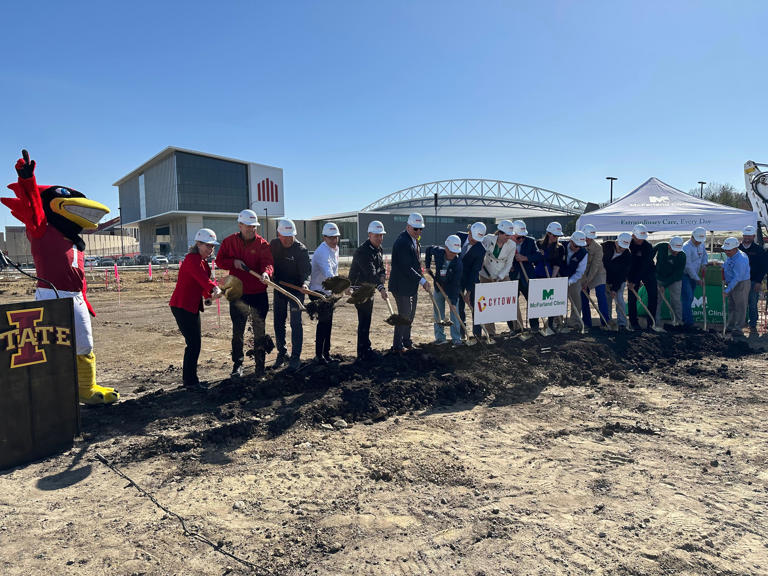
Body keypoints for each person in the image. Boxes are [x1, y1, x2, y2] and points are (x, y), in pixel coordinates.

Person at [215, 209, 274, 379]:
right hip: (238, 292)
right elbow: (219, 261)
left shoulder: (263, 244)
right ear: (240, 225)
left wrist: (266, 274)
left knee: (259, 330)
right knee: (238, 330)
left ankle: (260, 366)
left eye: (254, 227)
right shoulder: (229, 242)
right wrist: (233, 262)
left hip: (258, 292)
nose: (251, 229)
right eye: (247, 226)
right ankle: (237, 364)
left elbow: (267, 263)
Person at [169, 229, 222, 389]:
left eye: (212, 246)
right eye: (207, 245)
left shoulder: (202, 262)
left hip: (190, 307)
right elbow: (203, 279)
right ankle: (190, 382)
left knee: (194, 343)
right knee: (193, 344)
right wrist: (213, 289)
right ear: (198, 244)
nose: (210, 249)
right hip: (182, 306)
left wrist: (210, 294)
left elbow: (203, 285)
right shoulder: (192, 260)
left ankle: (190, 380)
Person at [269, 218, 311, 372]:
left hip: (296, 290)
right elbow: (267, 262)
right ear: (279, 234)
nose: (287, 240)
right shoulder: (273, 245)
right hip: (279, 288)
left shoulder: (301, 249)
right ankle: (282, 353)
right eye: (284, 236)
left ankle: (295, 358)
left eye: (290, 236)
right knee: (278, 321)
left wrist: (305, 284)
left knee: (295, 323)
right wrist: (269, 273)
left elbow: (306, 271)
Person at [388, 213, 431, 353]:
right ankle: (397, 346)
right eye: (416, 229)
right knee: (404, 315)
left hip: (411, 285)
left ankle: (406, 341)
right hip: (401, 286)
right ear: (408, 226)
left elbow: (416, 264)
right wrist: (422, 280)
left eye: (421, 229)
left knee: (410, 315)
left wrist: (421, 275)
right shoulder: (402, 242)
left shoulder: (414, 240)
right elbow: (407, 267)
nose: (418, 232)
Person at [349, 220, 388, 361]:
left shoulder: (378, 249)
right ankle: (362, 353)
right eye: (376, 235)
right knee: (364, 320)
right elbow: (370, 273)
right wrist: (381, 288)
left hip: (369, 288)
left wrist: (383, 274)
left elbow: (380, 266)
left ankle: (366, 348)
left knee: (367, 320)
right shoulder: (362, 252)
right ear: (369, 235)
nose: (379, 238)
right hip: (359, 289)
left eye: (381, 235)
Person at [310, 222, 342, 364]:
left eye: (336, 237)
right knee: (323, 322)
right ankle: (319, 355)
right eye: (331, 238)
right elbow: (329, 274)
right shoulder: (322, 252)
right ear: (324, 237)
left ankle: (326, 353)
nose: (334, 240)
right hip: (317, 290)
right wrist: (342, 286)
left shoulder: (335, 249)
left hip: (328, 290)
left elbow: (335, 271)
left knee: (328, 323)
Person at [478, 220, 517, 336]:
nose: (508, 237)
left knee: (511, 300)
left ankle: (517, 327)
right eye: (506, 235)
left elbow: (509, 264)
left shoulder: (512, 245)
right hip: (486, 275)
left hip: (502, 275)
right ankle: (490, 332)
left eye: (510, 235)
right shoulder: (488, 239)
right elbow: (481, 254)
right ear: (499, 233)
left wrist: (500, 277)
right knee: (486, 303)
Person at [426, 235, 464, 346]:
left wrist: (452, 301)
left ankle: (456, 339)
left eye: (455, 252)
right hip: (438, 286)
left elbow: (456, 284)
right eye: (451, 251)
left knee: (454, 313)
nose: (453, 254)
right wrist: (428, 266)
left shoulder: (458, 264)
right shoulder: (438, 252)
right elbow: (428, 250)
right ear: (446, 248)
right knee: (438, 312)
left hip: (451, 288)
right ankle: (440, 337)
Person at [509, 220, 543, 332]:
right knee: (511, 302)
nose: (521, 239)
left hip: (527, 275)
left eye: (523, 237)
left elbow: (538, 255)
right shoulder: (507, 242)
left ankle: (534, 326)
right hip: (512, 276)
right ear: (512, 235)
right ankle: (515, 327)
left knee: (533, 300)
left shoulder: (530, 241)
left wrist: (525, 258)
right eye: (519, 237)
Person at [536, 222, 567, 334]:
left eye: (558, 236)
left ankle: (550, 324)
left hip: (551, 275)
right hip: (539, 275)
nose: (556, 238)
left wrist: (552, 279)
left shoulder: (560, 248)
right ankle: (537, 326)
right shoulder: (539, 244)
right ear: (548, 233)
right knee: (538, 301)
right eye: (554, 235)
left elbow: (557, 264)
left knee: (551, 301)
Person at [458, 222, 487, 340]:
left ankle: (477, 334)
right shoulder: (458, 237)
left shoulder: (480, 250)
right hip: (457, 277)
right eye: (473, 238)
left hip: (471, 277)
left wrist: (469, 292)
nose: (475, 241)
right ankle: (462, 333)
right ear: (469, 232)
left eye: (477, 239)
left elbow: (475, 271)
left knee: (475, 305)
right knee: (459, 306)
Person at [627, 224, 658, 331]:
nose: (640, 241)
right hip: (631, 271)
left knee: (653, 295)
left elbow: (644, 265)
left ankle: (651, 323)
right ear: (633, 236)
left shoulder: (647, 246)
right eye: (638, 238)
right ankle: (633, 322)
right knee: (632, 297)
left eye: (642, 239)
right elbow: (626, 264)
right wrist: (630, 280)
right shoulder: (627, 245)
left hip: (647, 270)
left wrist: (636, 281)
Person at [579, 224, 609, 329]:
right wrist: (583, 281)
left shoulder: (598, 248)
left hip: (598, 273)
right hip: (583, 273)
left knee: (601, 294)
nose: (588, 239)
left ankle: (605, 322)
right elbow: (579, 265)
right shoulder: (579, 244)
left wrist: (587, 281)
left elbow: (595, 266)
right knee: (583, 296)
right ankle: (587, 323)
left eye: (590, 238)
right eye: (586, 237)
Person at [653, 236, 686, 329]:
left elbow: (677, 274)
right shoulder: (661, 247)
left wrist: (665, 284)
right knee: (657, 300)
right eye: (674, 250)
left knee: (676, 300)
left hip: (674, 279)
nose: (676, 252)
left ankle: (678, 322)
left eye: (678, 250)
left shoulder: (682, 256)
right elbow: (649, 255)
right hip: (659, 276)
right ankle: (656, 323)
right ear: (669, 246)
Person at [602, 232, 633, 330]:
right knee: (606, 299)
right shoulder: (605, 246)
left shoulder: (627, 255)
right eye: (620, 247)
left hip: (619, 280)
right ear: (616, 242)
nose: (621, 250)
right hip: (604, 278)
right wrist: (605, 281)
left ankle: (622, 323)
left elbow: (622, 274)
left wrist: (614, 289)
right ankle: (608, 322)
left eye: (624, 248)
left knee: (619, 298)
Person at [739, 225, 766, 334]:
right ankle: (740, 324)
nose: (747, 238)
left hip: (753, 281)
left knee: (753, 303)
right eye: (745, 235)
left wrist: (759, 281)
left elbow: (763, 267)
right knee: (740, 303)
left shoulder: (759, 250)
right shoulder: (737, 248)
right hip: (740, 281)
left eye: (749, 236)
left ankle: (753, 324)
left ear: (753, 236)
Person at [722, 236, 751, 337]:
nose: (726, 252)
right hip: (732, 283)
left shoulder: (741, 259)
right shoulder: (731, 256)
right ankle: (730, 326)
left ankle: (738, 328)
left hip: (741, 284)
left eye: (728, 250)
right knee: (732, 306)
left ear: (735, 249)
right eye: (725, 250)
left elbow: (737, 277)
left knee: (740, 306)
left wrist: (727, 290)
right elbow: (727, 266)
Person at [560, 231, 588, 332]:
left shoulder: (583, 253)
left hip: (573, 277)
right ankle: (557, 321)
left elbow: (580, 272)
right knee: (558, 299)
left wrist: (570, 281)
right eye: (576, 246)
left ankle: (574, 321)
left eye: (580, 247)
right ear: (571, 241)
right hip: (559, 275)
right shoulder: (561, 245)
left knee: (576, 296)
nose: (577, 249)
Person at [681, 227, 708, 330]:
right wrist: (697, 279)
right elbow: (688, 266)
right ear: (692, 237)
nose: (698, 243)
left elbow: (704, 255)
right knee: (687, 297)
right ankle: (688, 322)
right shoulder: (686, 248)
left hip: (694, 276)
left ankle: (685, 318)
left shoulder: (701, 244)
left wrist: (704, 264)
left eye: (700, 241)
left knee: (691, 297)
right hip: (686, 275)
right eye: (697, 240)